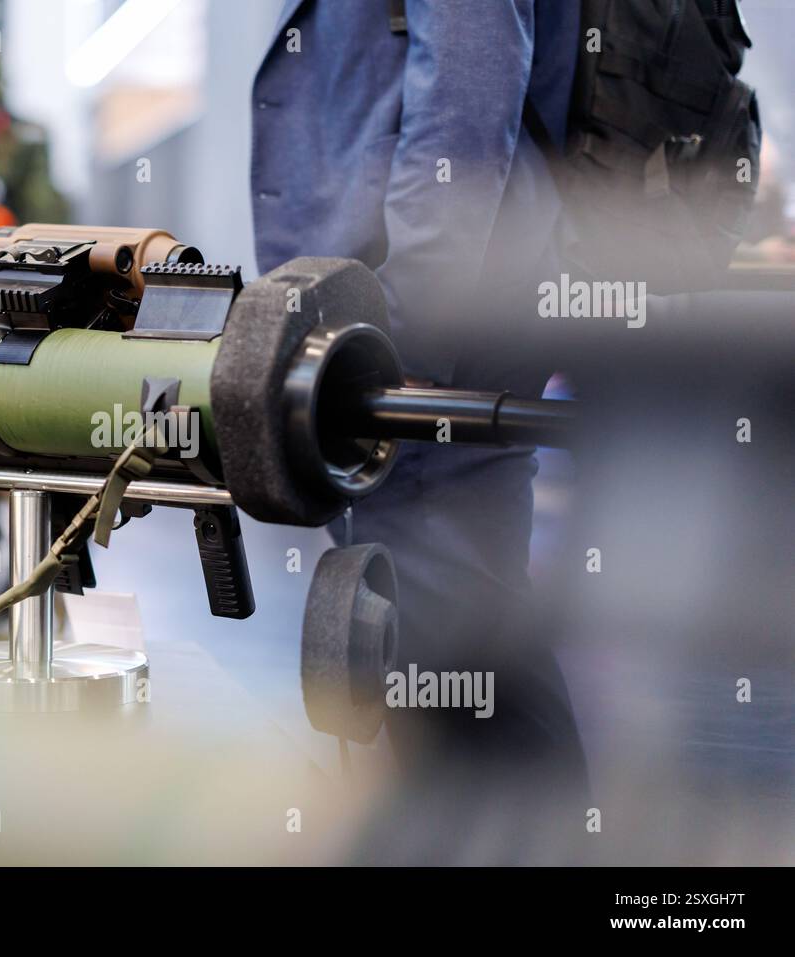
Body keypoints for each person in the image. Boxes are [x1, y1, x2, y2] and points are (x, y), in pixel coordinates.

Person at [252, 0, 588, 859]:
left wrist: (405, 329)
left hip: (422, 327)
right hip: (394, 319)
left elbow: (468, 99)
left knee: (460, 646)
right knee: (432, 641)